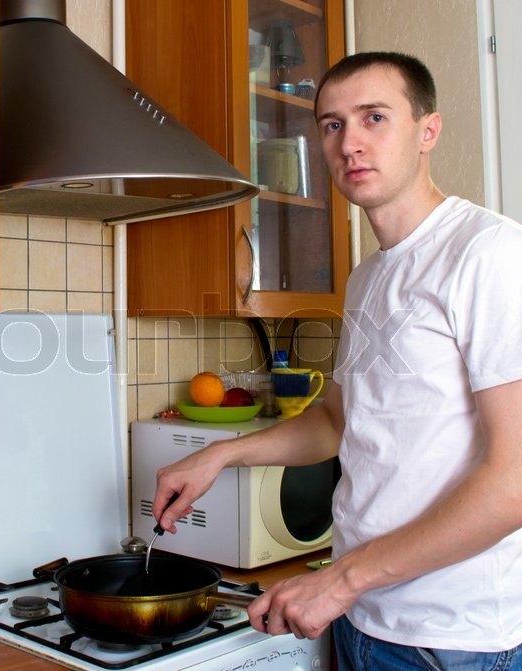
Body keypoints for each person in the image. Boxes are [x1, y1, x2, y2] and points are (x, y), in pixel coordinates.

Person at [152, 51, 522, 670]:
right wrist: (223, 453)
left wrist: (340, 581)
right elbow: (337, 419)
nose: (350, 142)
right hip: (364, 618)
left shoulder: (488, 254)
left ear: (427, 130)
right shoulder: (368, 277)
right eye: (331, 125)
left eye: (374, 117)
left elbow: (513, 483)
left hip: (448, 640)